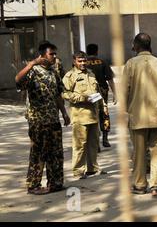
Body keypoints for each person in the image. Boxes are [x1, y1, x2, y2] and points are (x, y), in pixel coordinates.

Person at [122, 33, 157, 197]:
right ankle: (156, 186)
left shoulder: (130, 64)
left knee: (138, 153)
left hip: (138, 116)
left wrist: (128, 109)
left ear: (136, 46)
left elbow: (124, 91)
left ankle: (139, 185)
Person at [15, 41, 70, 195]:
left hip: (53, 119)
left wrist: (64, 113)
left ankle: (56, 183)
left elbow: (58, 94)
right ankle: (33, 185)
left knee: (56, 153)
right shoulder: (33, 71)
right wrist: (31, 64)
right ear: (42, 55)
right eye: (51, 54)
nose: (54, 56)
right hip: (38, 121)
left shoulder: (53, 71)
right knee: (38, 153)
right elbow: (18, 80)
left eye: (55, 53)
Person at [62, 51, 107, 179]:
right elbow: (64, 93)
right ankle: (78, 170)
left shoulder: (91, 73)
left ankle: (92, 168)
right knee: (80, 145)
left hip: (93, 115)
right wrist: (82, 98)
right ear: (74, 62)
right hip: (80, 116)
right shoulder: (70, 76)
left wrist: (103, 107)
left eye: (84, 60)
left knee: (93, 144)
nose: (82, 63)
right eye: (79, 61)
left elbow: (97, 92)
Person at [85, 43, 116, 148]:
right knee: (104, 113)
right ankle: (105, 138)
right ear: (97, 51)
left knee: (92, 115)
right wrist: (115, 93)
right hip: (102, 92)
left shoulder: (83, 63)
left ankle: (95, 141)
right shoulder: (102, 62)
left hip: (89, 92)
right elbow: (110, 79)